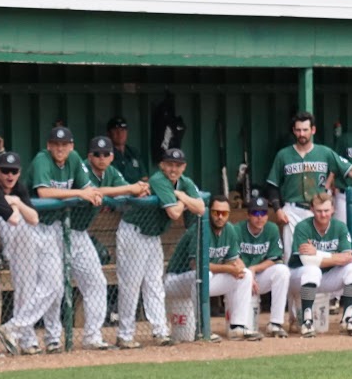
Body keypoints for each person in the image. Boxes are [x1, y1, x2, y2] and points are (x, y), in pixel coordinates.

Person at [19, 126, 103, 354]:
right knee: (36, 285)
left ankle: (59, 337)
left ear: (71, 146)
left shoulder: (73, 159)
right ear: (48, 145)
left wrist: (92, 193)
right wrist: (80, 193)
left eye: (64, 144)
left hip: (55, 227)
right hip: (29, 227)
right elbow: (44, 193)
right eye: (56, 144)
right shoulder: (41, 160)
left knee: (57, 284)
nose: (60, 148)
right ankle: (26, 336)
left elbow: (88, 188)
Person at [116, 147, 201, 349]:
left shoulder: (184, 182)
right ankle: (125, 335)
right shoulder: (158, 179)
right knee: (131, 285)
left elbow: (201, 208)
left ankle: (160, 331)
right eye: (170, 164)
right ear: (162, 165)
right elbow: (174, 213)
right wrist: (183, 200)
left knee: (155, 284)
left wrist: (181, 196)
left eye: (178, 165)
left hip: (153, 236)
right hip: (134, 233)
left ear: (184, 167)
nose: (173, 169)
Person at [266, 111, 352, 254]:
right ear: (293, 131)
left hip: (317, 211)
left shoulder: (324, 152)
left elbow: (350, 169)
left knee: (316, 256)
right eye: (298, 130)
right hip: (292, 210)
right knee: (291, 255)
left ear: (313, 130)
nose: (302, 134)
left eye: (305, 130)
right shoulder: (283, 155)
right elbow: (272, 185)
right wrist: (278, 209)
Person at [81, 135, 151, 349]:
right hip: (54, 227)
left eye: (106, 154)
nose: (101, 158)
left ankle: (91, 337)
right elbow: (94, 191)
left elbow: (126, 189)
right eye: (97, 154)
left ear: (112, 157)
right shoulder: (82, 168)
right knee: (51, 286)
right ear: (89, 156)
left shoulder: (111, 172)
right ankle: (35, 336)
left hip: (78, 233)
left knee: (96, 283)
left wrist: (138, 189)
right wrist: (130, 189)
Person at [165, 194, 259, 341]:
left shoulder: (230, 230)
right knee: (204, 275)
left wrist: (238, 267)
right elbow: (196, 266)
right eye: (216, 212)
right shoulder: (200, 229)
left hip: (202, 281)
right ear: (209, 212)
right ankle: (202, 329)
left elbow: (234, 260)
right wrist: (229, 269)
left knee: (246, 274)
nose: (220, 217)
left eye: (224, 213)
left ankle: (237, 327)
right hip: (176, 280)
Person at [0, 151, 37, 355]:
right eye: (5, 171)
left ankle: (23, 335)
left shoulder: (19, 188)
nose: (9, 176)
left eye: (14, 171)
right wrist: (10, 203)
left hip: (23, 238)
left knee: (32, 284)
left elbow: (34, 218)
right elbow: (12, 218)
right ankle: (23, 336)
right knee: (26, 284)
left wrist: (17, 202)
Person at [289, 191, 352, 337]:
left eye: (326, 211)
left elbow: (348, 257)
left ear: (333, 210)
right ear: (312, 210)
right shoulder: (302, 227)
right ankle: (307, 323)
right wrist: (336, 258)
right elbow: (307, 261)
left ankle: (347, 320)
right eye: (318, 211)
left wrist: (317, 253)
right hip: (298, 277)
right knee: (312, 270)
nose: (323, 215)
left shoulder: (340, 227)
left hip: (327, 277)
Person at [236, 190, 291, 337]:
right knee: (246, 273)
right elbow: (233, 258)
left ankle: (275, 323)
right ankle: (239, 325)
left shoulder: (271, 229)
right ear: (248, 215)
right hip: (240, 277)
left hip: (260, 278)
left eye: (263, 213)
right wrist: (248, 273)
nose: (259, 218)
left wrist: (254, 269)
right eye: (255, 213)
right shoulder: (237, 230)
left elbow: (275, 258)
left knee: (282, 271)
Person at [107, 115, 145, 185]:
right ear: (109, 133)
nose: (120, 133)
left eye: (122, 130)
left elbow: (144, 177)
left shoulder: (134, 152)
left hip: (139, 192)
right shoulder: (106, 154)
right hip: (117, 192)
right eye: (115, 130)